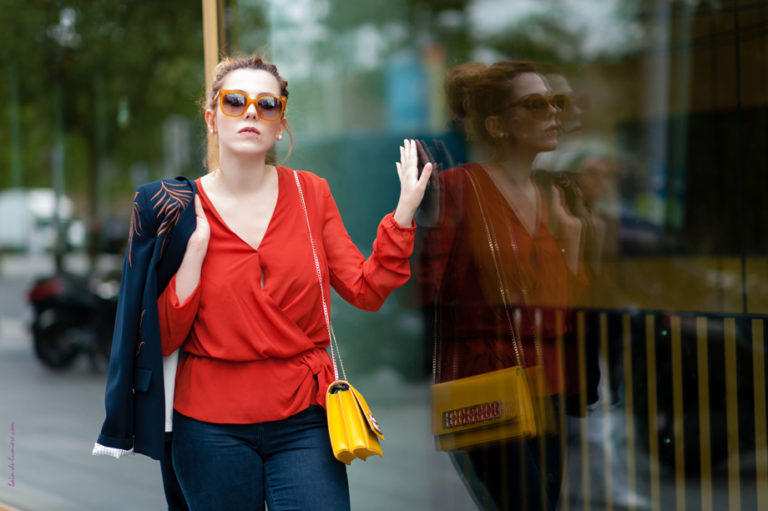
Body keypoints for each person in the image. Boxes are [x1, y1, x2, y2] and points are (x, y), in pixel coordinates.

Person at [96, 54, 432, 511]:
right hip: (209, 426)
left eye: (266, 105)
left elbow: (366, 290)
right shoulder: (176, 208)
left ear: (280, 125)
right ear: (213, 119)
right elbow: (160, 338)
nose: (251, 112)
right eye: (235, 102)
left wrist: (403, 215)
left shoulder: (311, 192)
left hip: (305, 419)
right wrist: (193, 258)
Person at [417, 60, 586, 510]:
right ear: (497, 124)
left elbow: (566, 307)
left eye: (556, 102)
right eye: (535, 104)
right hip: (485, 381)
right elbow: (426, 291)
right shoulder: (459, 189)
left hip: (548, 381)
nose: (552, 113)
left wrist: (571, 246)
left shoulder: (555, 195)